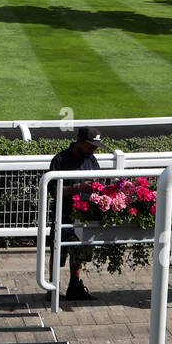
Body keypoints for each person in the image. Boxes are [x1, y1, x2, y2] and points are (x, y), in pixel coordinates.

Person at [48, 127, 104, 301]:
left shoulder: (92, 160)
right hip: (63, 214)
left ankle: (74, 286)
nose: (92, 150)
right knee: (58, 251)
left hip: (84, 215)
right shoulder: (60, 160)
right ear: (79, 140)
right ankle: (52, 288)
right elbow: (53, 190)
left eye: (94, 147)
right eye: (89, 146)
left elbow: (100, 183)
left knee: (79, 251)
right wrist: (77, 188)